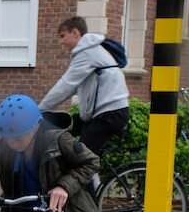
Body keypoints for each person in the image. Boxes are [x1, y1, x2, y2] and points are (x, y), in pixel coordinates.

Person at [39, 16, 129, 157]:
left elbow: (66, 86)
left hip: (109, 115)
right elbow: (73, 88)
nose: (61, 41)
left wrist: (39, 110)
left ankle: (86, 177)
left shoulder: (87, 53)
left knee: (80, 159)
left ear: (75, 33)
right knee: (62, 130)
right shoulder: (91, 51)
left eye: (63, 36)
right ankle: (91, 177)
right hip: (101, 113)